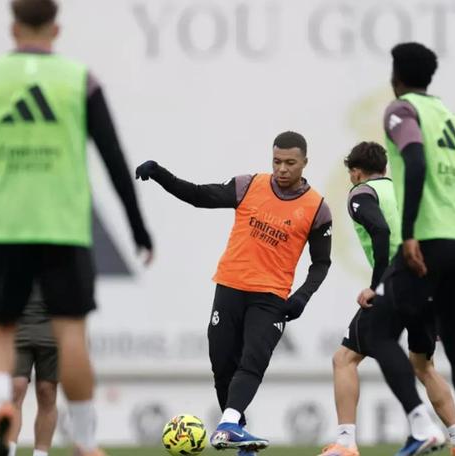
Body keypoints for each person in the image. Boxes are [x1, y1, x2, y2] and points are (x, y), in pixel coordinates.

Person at [0, 1, 153, 455]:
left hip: (4, 226)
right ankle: (84, 439)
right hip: (62, 227)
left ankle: (1, 404)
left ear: (13, 29)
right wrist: (138, 227)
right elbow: (113, 158)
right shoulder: (79, 80)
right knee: (71, 336)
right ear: (56, 29)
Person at [136, 131, 332, 455]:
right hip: (229, 287)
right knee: (222, 364)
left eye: (290, 163)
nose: (282, 169)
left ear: (305, 163)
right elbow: (199, 195)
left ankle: (227, 424)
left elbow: (321, 263)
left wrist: (302, 297)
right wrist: (159, 174)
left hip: (271, 297)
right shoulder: (249, 185)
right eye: (277, 161)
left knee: (253, 358)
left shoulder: (317, 208)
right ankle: (239, 436)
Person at [382, 42, 455, 456]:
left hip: (427, 240)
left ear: (396, 77)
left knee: (377, 331)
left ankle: (421, 423)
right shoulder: (450, 119)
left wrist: (408, 233)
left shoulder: (401, 110)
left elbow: (415, 160)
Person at [317, 141, 403, 456]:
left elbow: (380, 231)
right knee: (425, 365)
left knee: (344, 359)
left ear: (355, 173)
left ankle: (346, 442)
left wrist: (377, 286)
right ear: (384, 167)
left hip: (392, 286)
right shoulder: (399, 191)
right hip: (421, 284)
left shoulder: (362, 193)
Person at [8, 287, 58, 456]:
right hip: (17, 319)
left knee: (47, 392)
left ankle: (41, 453)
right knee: (15, 389)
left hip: (53, 321)